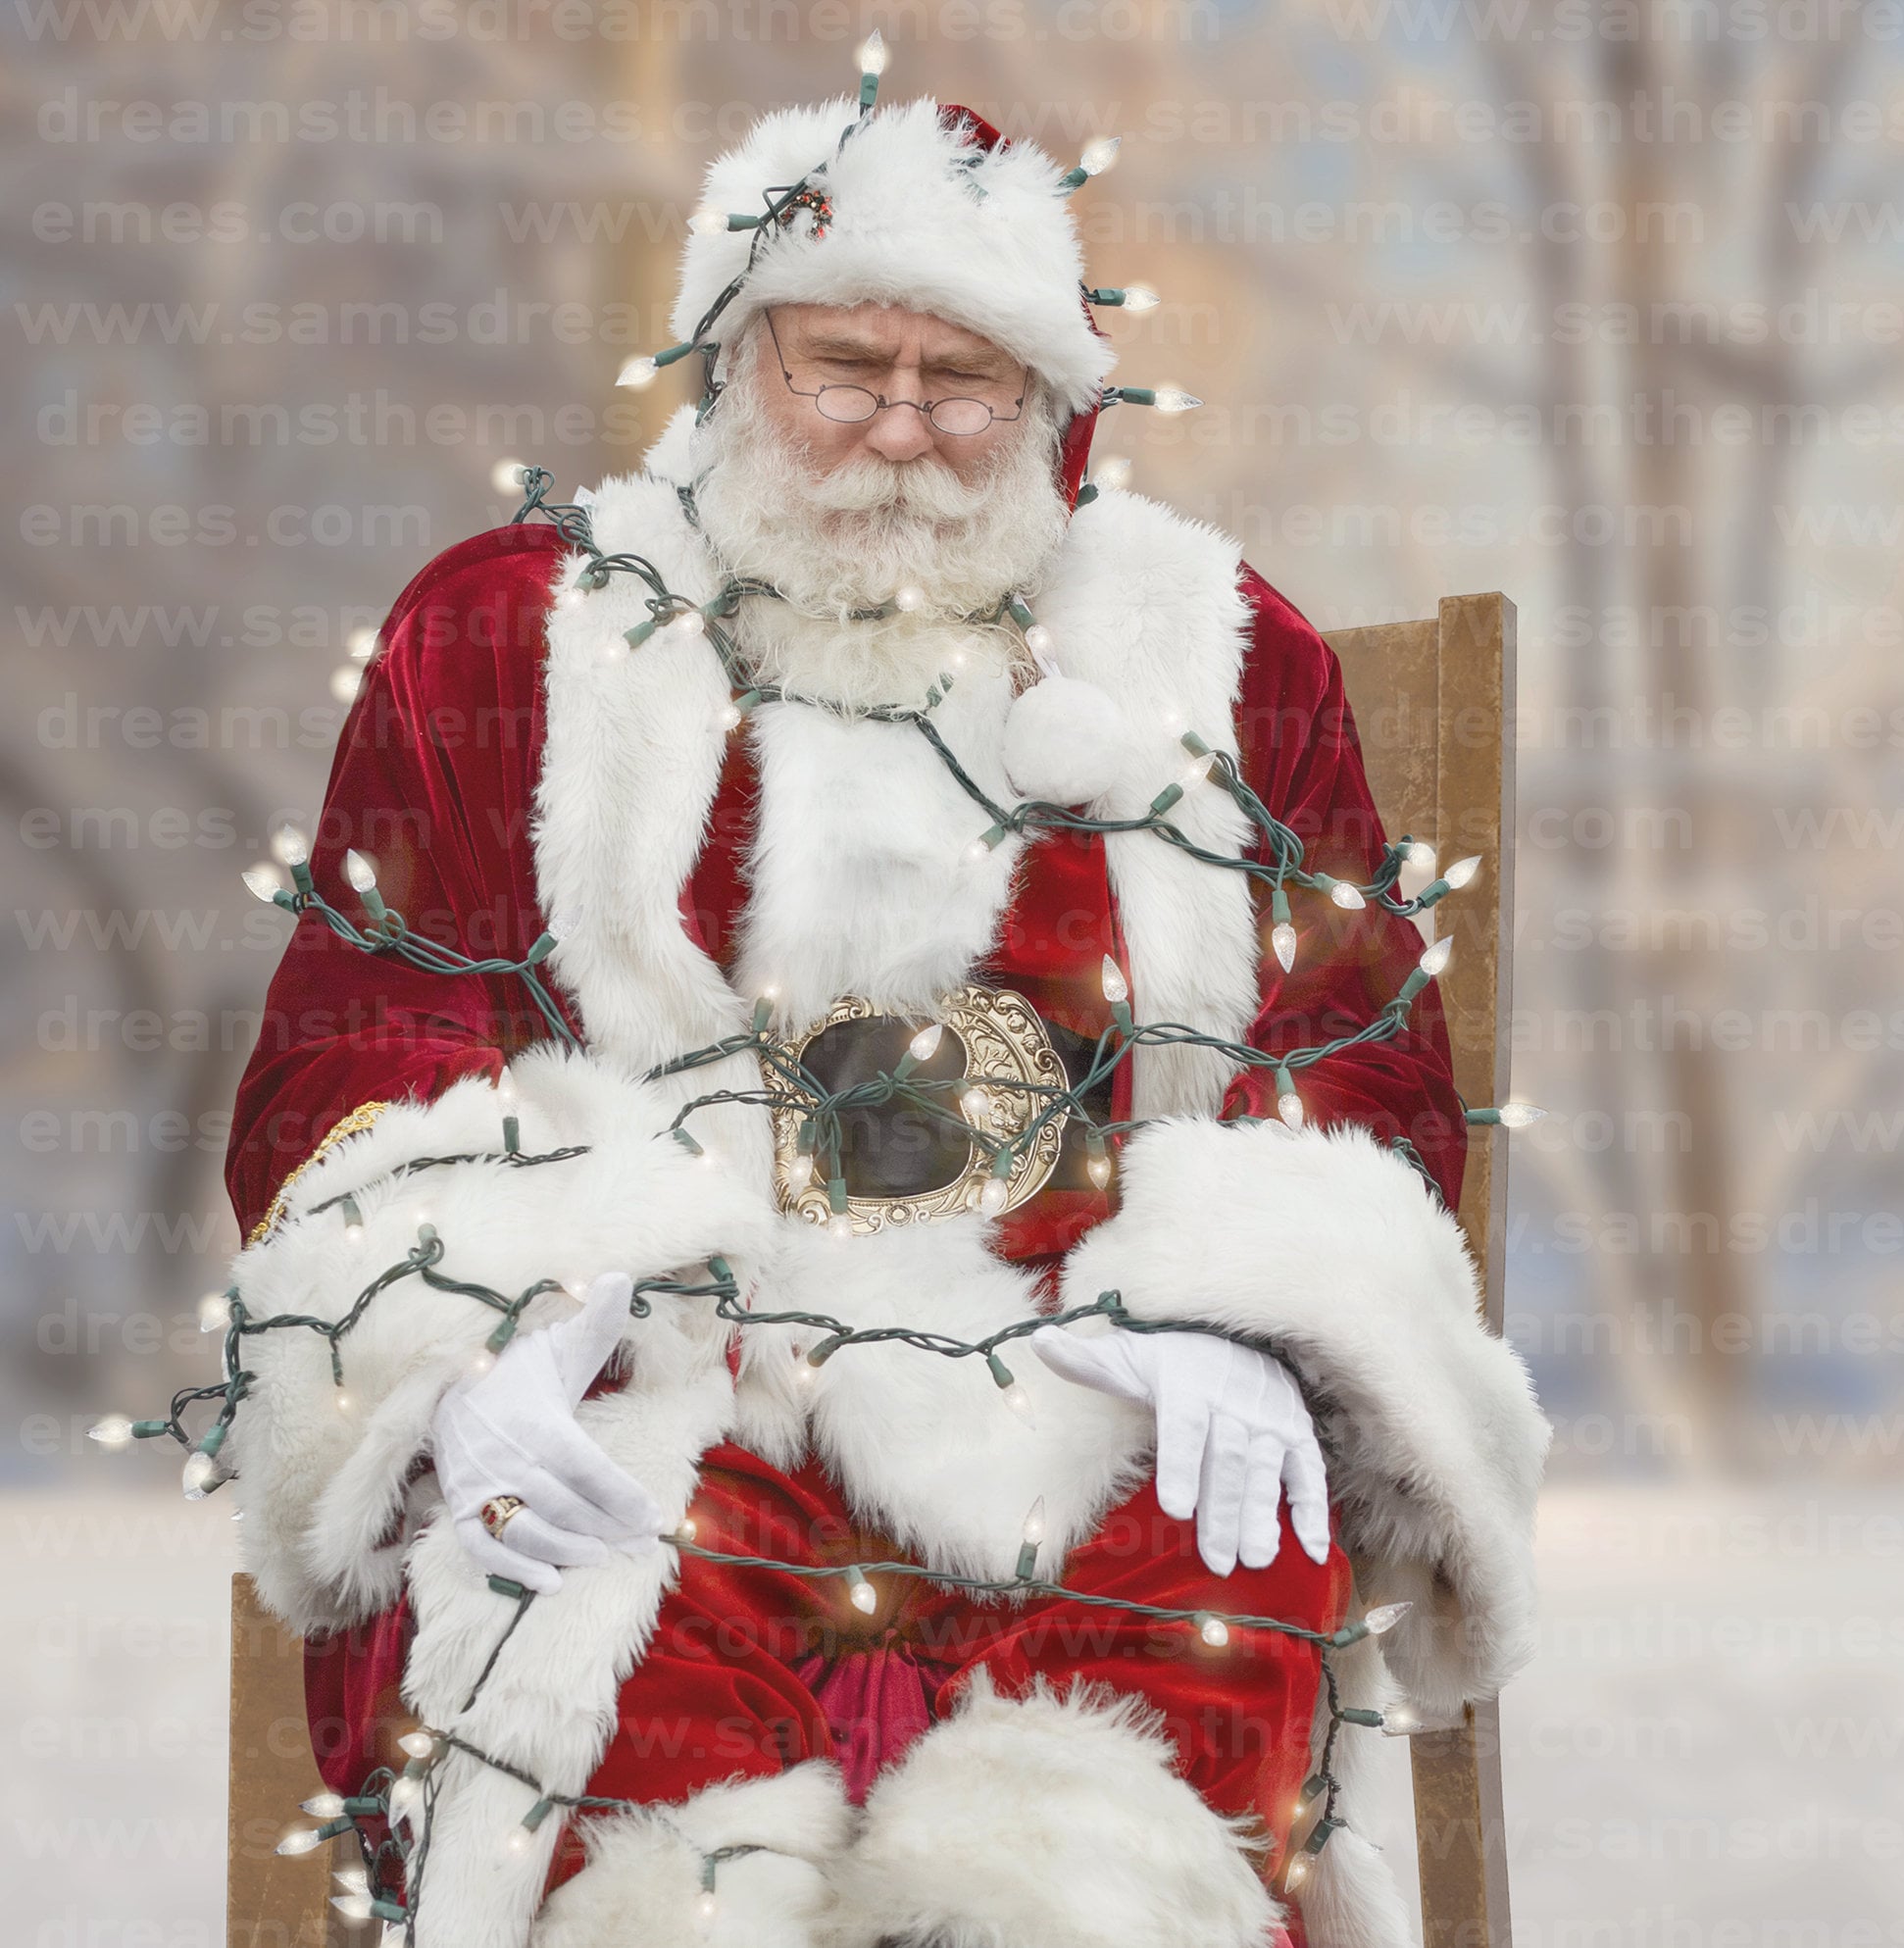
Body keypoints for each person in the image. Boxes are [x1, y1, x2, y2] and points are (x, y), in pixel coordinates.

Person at [218, 81, 1546, 1948]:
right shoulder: (525, 631)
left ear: (1054, 406)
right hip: (681, 1362)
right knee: (591, 1587)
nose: (906, 430)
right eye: (847, 368)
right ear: (735, 355)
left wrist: (1246, 1314)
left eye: (965, 380)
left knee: (1211, 1580)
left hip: (1090, 1360)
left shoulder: (1213, 651)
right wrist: (468, 1337)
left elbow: (1357, 1053)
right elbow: (355, 1042)